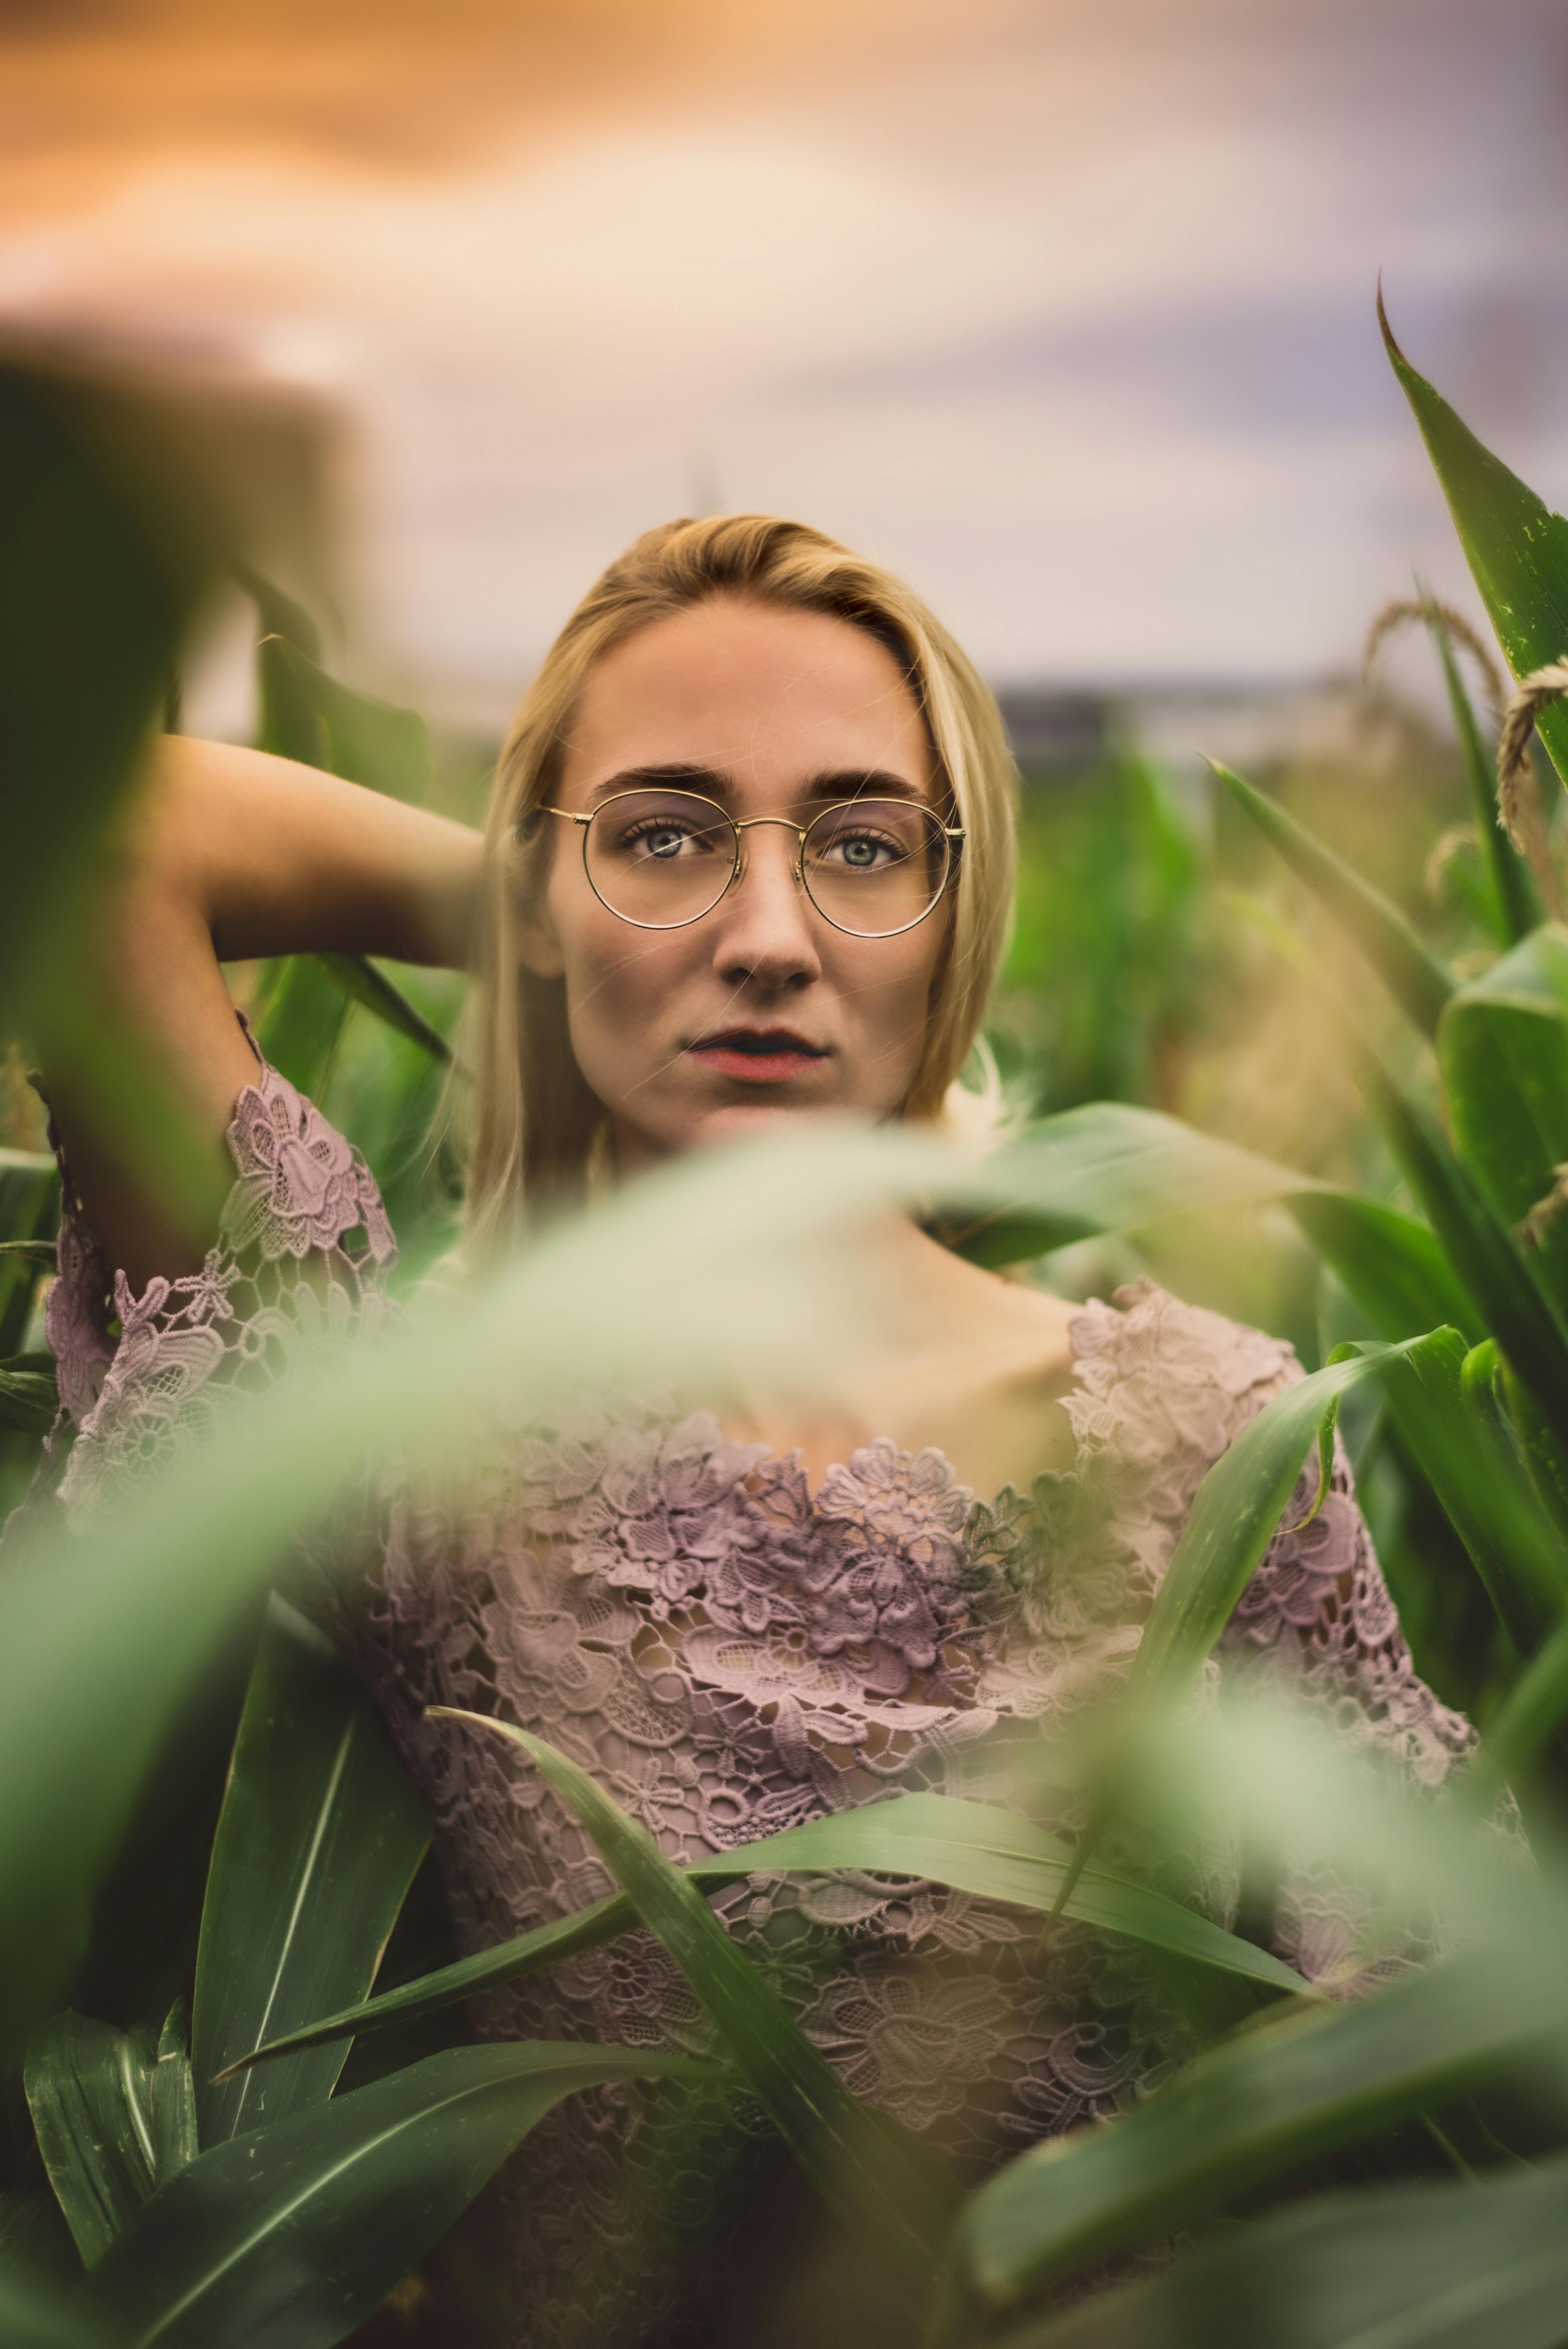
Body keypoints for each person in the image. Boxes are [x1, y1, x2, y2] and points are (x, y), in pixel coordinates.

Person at [33, 517, 1473, 2347]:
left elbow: (1428, 2056)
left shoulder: (1218, 1441)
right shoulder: (436, 1463)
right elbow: (91, 830)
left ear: (959, 910)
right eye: (664, 832)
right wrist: (562, 920)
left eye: (864, 847)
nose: (774, 938)